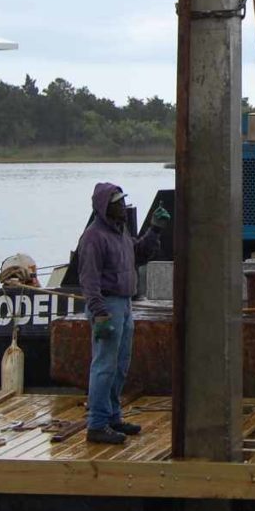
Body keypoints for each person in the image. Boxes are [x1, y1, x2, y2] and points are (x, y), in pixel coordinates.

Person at [77, 183, 170, 444]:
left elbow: (138, 254)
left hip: (126, 304)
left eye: (123, 201)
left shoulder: (120, 233)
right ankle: (96, 424)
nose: (123, 206)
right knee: (103, 366)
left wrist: (155, 230)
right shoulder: (93, 238)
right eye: (118, 203)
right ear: (106, 207)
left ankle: (113, 416)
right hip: (108, 306)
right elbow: (89, 280)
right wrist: (99, 313)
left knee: (120, 365)